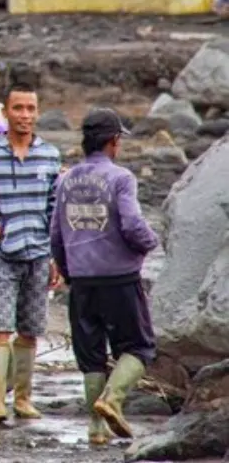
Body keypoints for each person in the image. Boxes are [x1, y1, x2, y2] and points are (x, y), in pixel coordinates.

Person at [51, 109, 158, 444]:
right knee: (140, 347)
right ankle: (112, 399)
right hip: (119, 278)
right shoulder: (121, 178)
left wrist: (67, 270)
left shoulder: (65, 180)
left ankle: (96, 430)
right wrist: (150, 243)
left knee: (91, 355)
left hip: (82, 280)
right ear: (114, 142)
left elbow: (55, 233)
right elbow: (131, 224)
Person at [0, 84, 62, 425]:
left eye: (30, 109)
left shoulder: (50, 155)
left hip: (37, 255)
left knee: (31, 330)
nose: (24, 115)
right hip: (0, 255)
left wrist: (55, 257)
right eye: (18, 108)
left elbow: (54, 210)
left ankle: (23, 398)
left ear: (37, 113)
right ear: (5, 113)